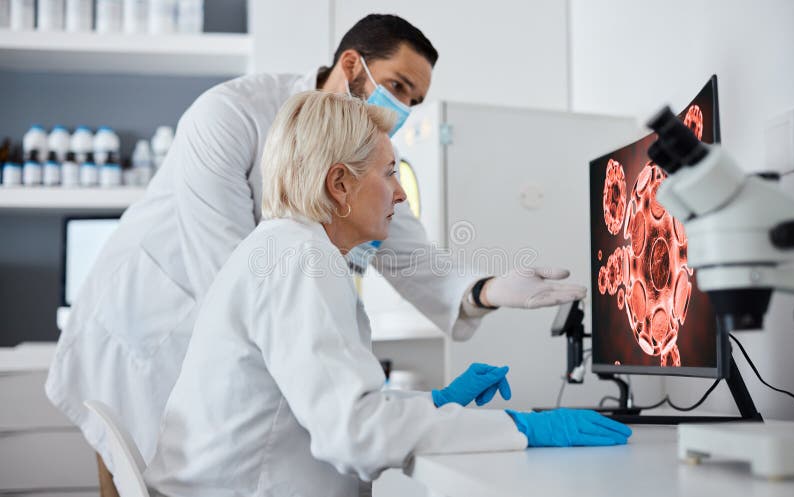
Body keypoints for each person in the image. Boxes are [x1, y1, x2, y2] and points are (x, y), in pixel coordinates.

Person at [45, 14, 587, 471]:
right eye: (397, 86)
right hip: (145, 334)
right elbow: (236, 276)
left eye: (414, 100)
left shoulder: (351, 174)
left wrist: (488, 289)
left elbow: (409, 253)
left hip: (224, 384)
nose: (403, 109)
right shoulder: (232, 118)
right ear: (351, 65)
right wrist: (514, 427)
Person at [144, 90, 631, 497]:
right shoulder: (300, 260)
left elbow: (338, 407)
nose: (400, 194)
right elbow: (355, 433)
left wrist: (436, 402)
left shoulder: (287, 248)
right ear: (339, 184)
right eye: (389, 173)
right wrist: (522, 428)